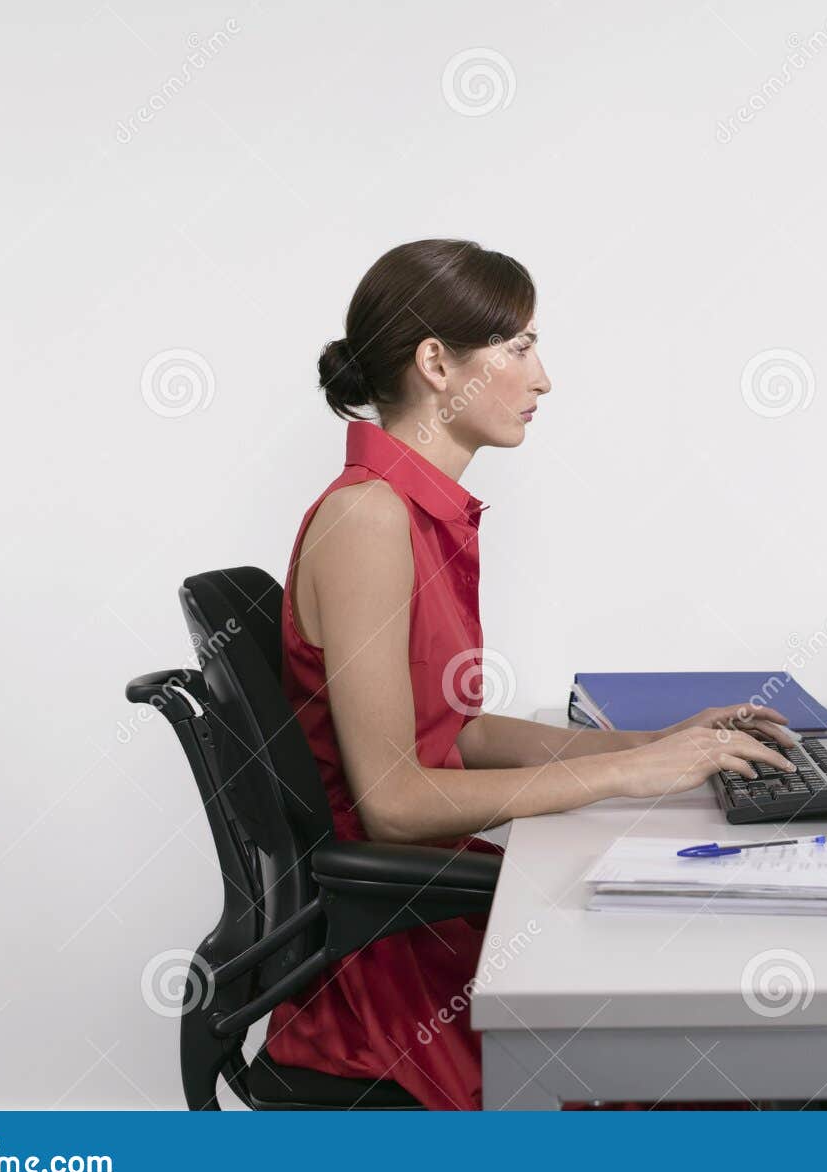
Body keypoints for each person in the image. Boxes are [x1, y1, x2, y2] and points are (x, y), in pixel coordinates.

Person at [263, 238, 796, 1109]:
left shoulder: (419, 510)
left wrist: (654, 740)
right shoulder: (367, 519)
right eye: (517, 347)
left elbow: (458, 730)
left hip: (435, 919)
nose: (542, 378)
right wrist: (626, 774)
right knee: (709, 1057)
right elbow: (394, 800)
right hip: (390, 978)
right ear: (437, 363)